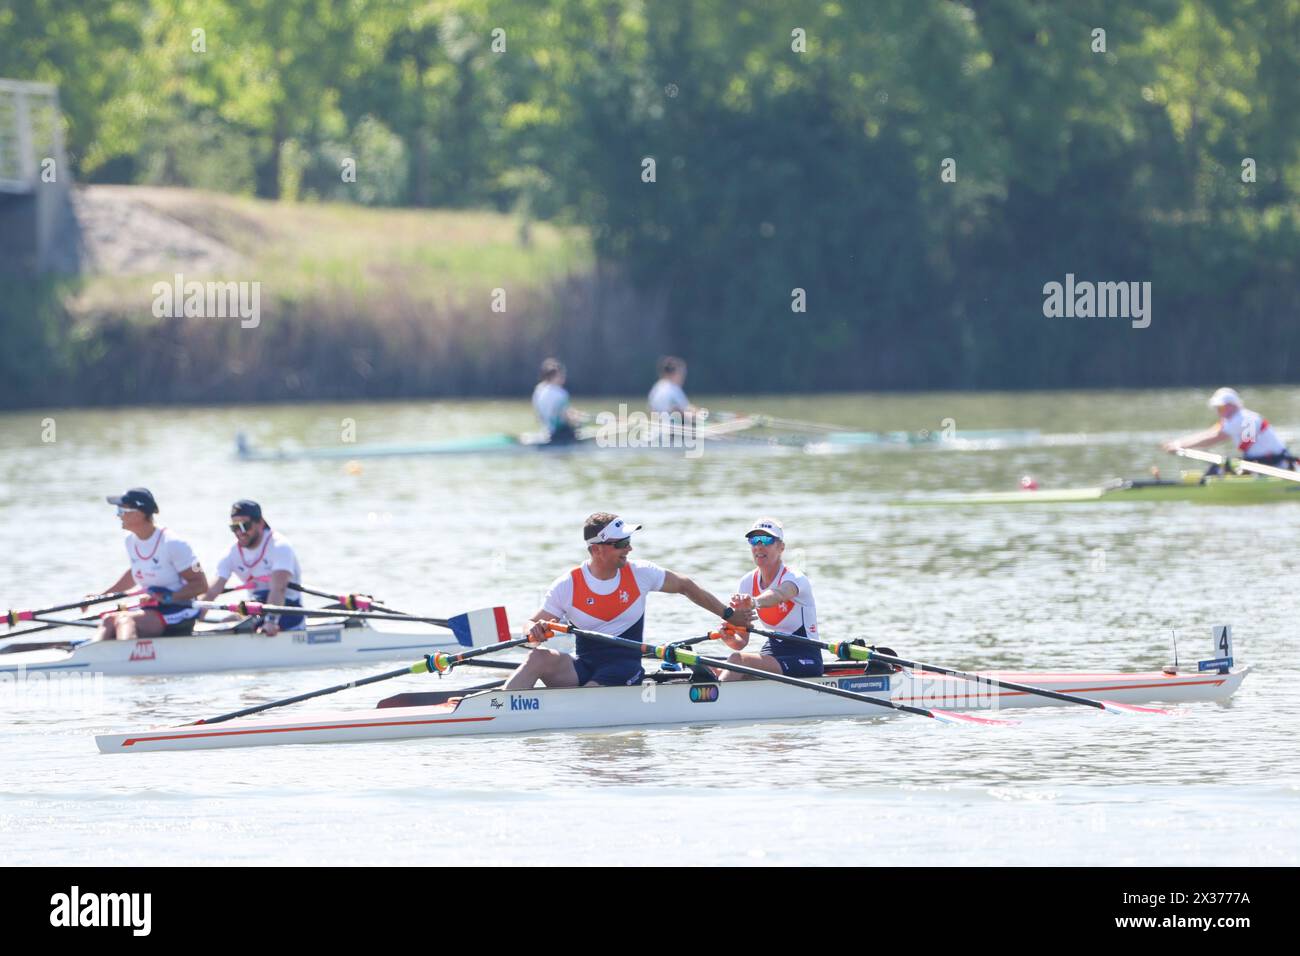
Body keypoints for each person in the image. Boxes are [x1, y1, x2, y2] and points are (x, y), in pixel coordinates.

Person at [504, 513, 753, 689]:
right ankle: (497, 708)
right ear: (597, 549)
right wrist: (534, 631)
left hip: (625, 666)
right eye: (621, 543)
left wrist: (729, 615)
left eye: (629, 542)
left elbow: (685, 585)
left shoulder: (640, 573)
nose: (629, 548)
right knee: (538, 657)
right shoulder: (568, 584)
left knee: (591, 690)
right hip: (583, 664)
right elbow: (531, 627)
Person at [715, 517, 822, 681]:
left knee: (737, 661)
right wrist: (729, 638)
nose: (759, 545)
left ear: (781, 547)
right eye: (754, 540)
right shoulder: (747, 582)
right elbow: (741, 642)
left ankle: (714, 700)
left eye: (766, 539)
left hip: (805, 655)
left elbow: (779, 594)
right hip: (773, 651)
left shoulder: (795, 578)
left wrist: (753, 602)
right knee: (712, 666)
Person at [96, 488, 207, 641]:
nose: (118, 515)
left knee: (125, 620)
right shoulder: (130, 540)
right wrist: (101, 596)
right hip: (152, 608)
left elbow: (200, 585)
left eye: (122, 510)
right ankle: (90, 657)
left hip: (179, 610)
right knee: (108, 619)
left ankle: (125, 658)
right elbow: (136, 572)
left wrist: (167, 597)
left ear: (139, 513)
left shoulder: (173, 543)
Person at [201, 500, 304, 635]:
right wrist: (195, 615)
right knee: (228, 621)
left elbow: (278, 589)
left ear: (260, 523)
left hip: (286, 606)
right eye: (235, 527)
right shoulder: (231, 553)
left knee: (242, 623)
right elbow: (212, 591)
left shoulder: (280, 547)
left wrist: (271, 621)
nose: (240, 532)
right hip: (254, 606)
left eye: (245, 526)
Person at [1162, 387, 1296, 472]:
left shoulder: (1243, 418)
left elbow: (1215, 438)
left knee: (1218, 470)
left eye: (1220, 408)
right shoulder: (1231, 419)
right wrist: (1178, 443)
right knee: (1218, 468)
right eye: (1216, 408)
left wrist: (1179, 446)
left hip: (1277, 466)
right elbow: (1209, 433)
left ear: (1231, 406)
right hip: (1258, 464)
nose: (1218, 411)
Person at [532, 357, 584, 444]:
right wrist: (578, 420)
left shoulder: (538, 390)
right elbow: (565, 416)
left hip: (546, 432)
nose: (564, 378)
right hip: (559, 434)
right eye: (562, 375)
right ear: (554, 376)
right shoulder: (561, 393)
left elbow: (539, 416)